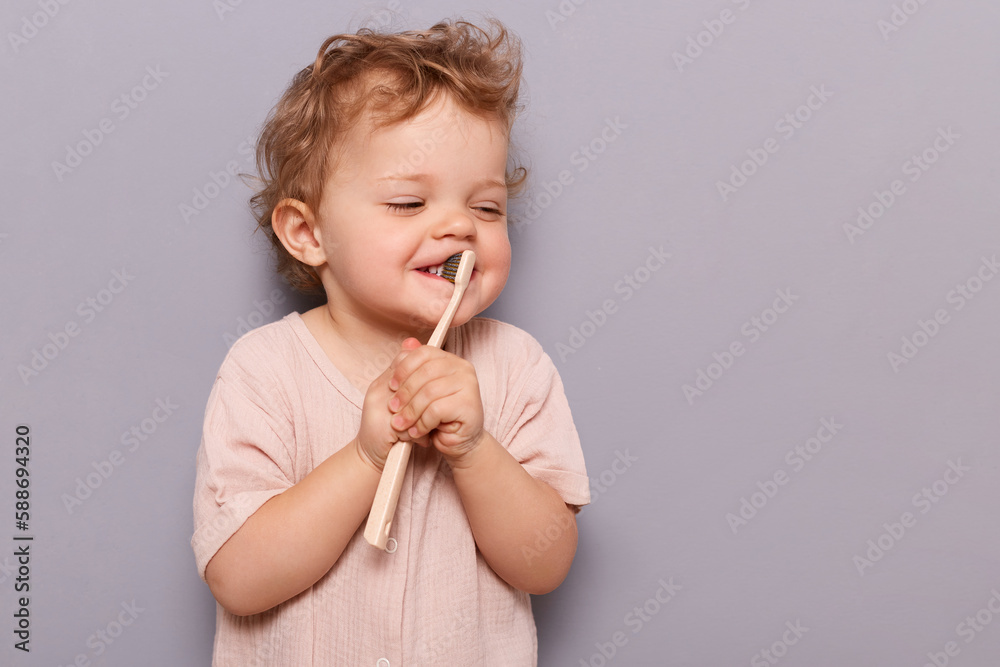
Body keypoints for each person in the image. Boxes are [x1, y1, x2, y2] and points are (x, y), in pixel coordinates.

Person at [191, 17, 590, 666]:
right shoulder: (262, 371)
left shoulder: (516, 367)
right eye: (409, 203)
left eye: (486, 208)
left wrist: (476, 451)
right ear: (307, 233)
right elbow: (238, 577)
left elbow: (545, 563)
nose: (460, 225)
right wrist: (367, 455)